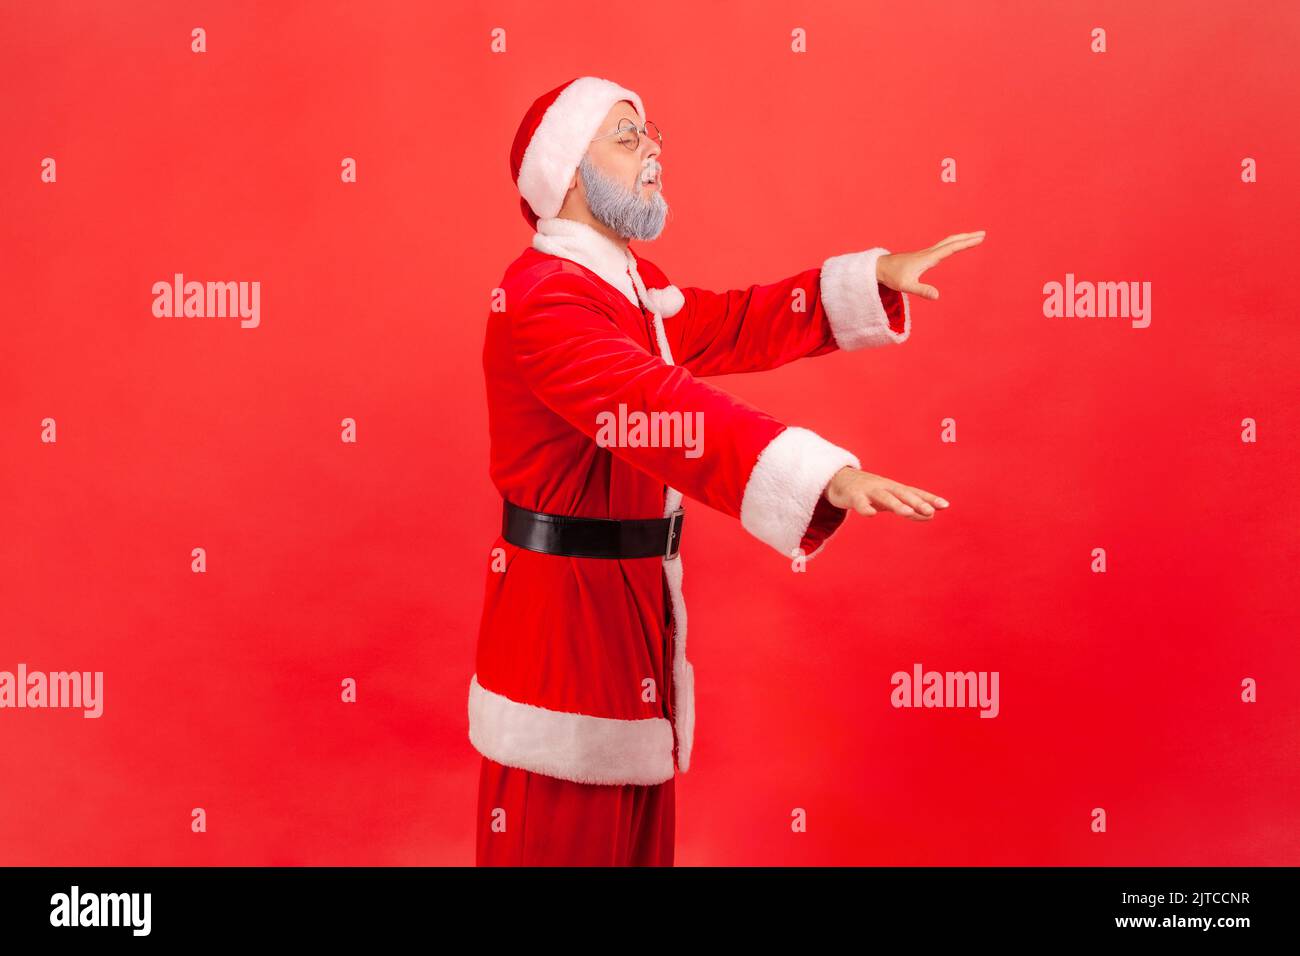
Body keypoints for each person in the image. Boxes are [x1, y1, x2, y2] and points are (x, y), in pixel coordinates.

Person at [471, 75, 984, 866]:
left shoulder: (631, 290)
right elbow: (655, 402)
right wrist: (825, 478)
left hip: (632, 617)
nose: (654, 150)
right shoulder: (545, 299)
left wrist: (865, 283)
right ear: (571, 172)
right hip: (560, 634)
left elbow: (730, 323)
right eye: (626, 136)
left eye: (650, 133)